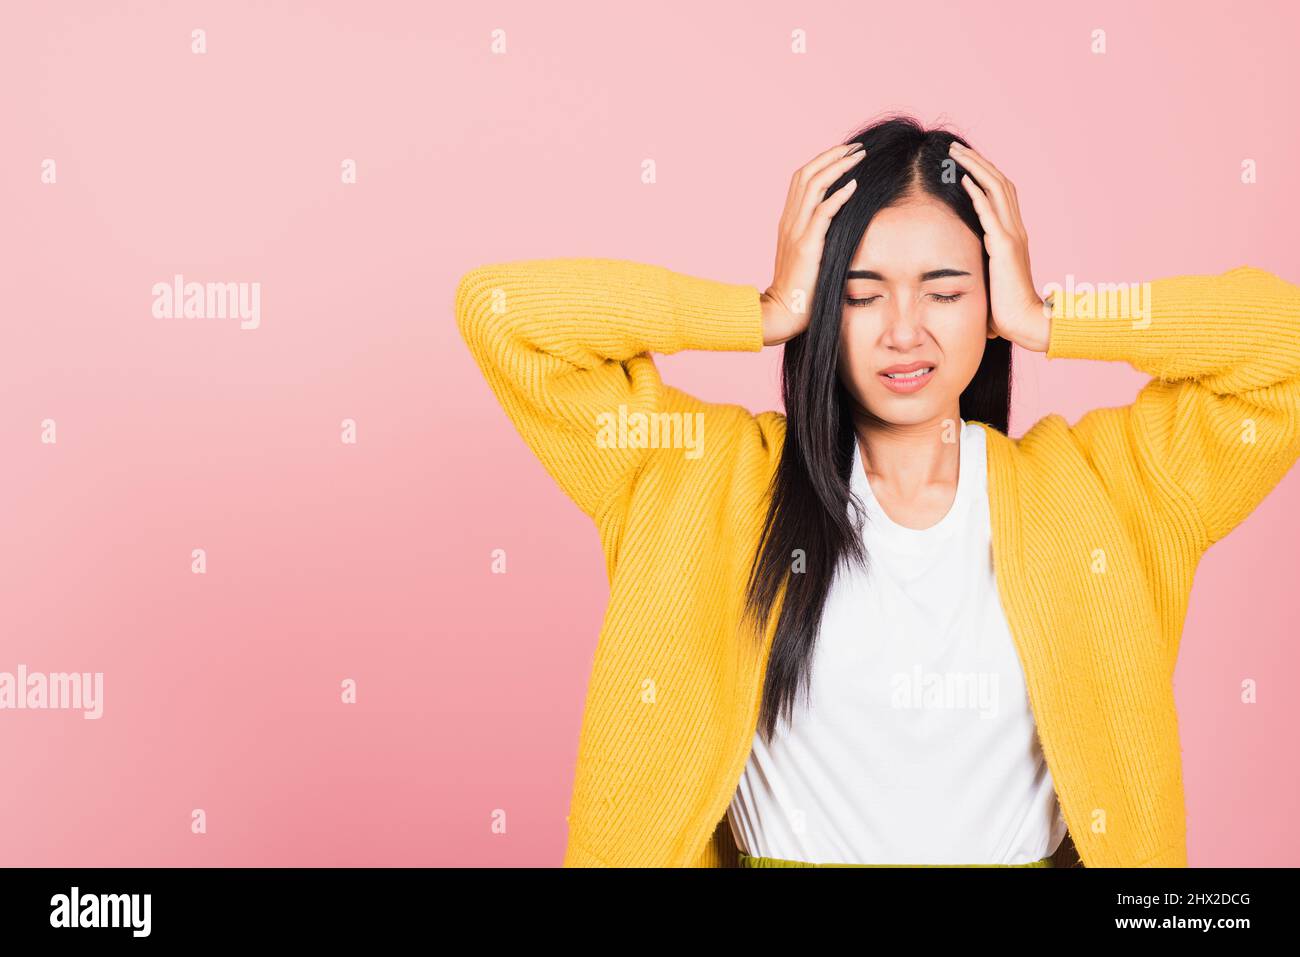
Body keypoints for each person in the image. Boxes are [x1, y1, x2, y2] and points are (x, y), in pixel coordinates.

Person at [454, 114, 1300, 867]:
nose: (904, 330)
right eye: (860, 294)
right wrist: (761, 308)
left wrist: (1050, 318)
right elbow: (501, 313)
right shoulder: (696, 476)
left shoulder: (1111, 492)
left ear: (990, 305)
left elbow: (1283, 350)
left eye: (946, 290)